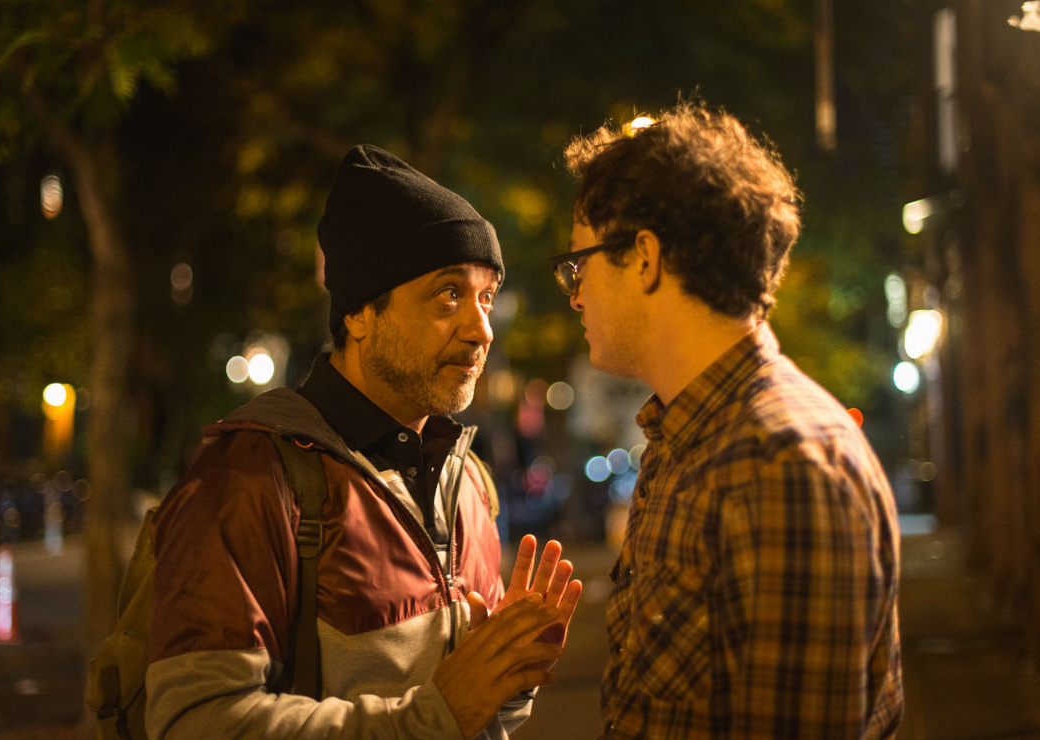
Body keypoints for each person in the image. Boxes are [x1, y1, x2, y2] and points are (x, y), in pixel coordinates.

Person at [146, 144, 582, 739]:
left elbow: (477, 716)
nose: (481, 329)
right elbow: (194, 721)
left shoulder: (467, 482)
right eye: (449, 294)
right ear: (357, 314)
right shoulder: (251, 478)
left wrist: (506, 671)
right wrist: (436, 714)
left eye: (486, 296)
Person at [553, 102, 903, 738]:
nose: (575, 292)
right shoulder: (686, 437)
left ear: (645, 258)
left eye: (580, 263)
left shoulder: (779, 463)